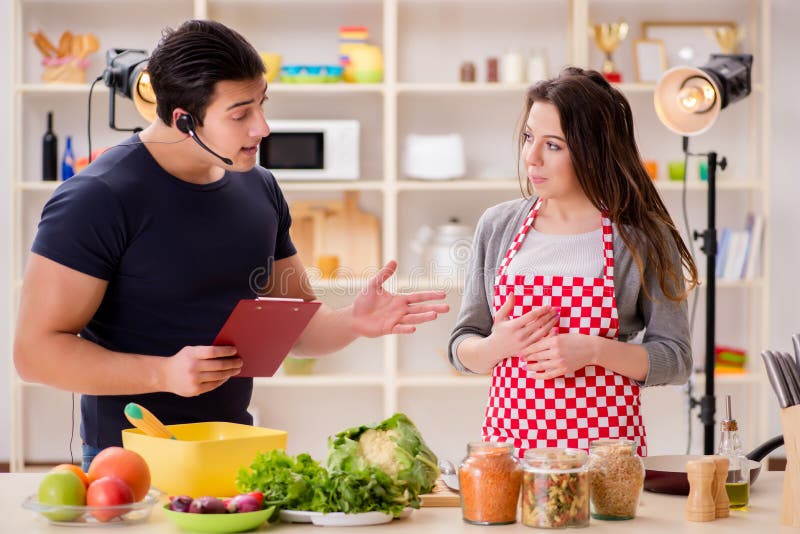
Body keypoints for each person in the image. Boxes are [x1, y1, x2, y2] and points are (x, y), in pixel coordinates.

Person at [13, 20, 448, 471]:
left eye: (262, 104)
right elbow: (35, 353)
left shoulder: (259, 188)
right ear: (184, 119)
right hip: (129, 462)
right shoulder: (99, 197)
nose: (263, 127)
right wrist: (162, 373)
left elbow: (298, 329)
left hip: (234, 451)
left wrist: (354, 321)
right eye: (240, 114)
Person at [448, 67, 698, 457]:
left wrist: (595, 351)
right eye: (529, 137)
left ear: (592, 150)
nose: (531, 158)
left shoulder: (642, 238)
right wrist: (497, 345)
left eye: (553, 145)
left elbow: (677, 359)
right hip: (511, 454)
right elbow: (461, 346)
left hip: (606, 460)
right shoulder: (497, 226)